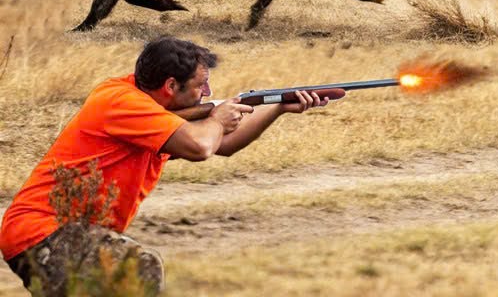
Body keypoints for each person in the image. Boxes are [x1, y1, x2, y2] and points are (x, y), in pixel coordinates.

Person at [0, 36, 330, 294]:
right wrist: (216, 119)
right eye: (201, 84)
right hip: (42, 230)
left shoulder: (152, 112)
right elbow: (202, 145)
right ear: (171, 86)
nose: (208, 92)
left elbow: (223, 145)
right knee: (137, 267)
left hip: (65, 233)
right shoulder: (122, 102)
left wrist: (277, 107)